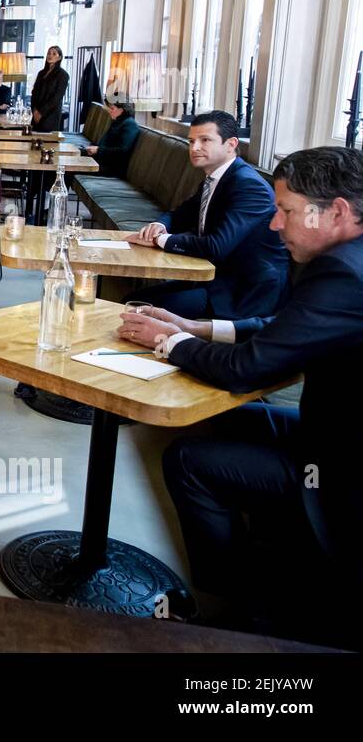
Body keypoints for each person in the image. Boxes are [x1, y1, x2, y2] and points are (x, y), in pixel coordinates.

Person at [118, 147, 363, 646]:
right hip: (328, 434)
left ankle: (240, 618)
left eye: (287, 211)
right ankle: (271, 578)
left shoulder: (343, 273)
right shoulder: (347, 262)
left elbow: (247, 371)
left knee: (189, 460)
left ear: (336, 212)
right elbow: (286, 329)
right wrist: (197, 327)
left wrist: (168, 342)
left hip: (340, 466)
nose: (275, 225)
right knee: (220, 423)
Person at [127, 110, 289, 319]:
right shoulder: (215, 177)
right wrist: (160, 226)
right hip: (216, 279)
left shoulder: (248, 186)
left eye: (205, 140)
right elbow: (179, 214)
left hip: (244, 292)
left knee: (139, 309)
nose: (194, 148)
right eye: (191, 141)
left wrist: (160, 240)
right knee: (133, 300)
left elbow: (216, 246)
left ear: (231, 143)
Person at [83, 100, 139, 178]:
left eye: (112, 108)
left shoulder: (130, 125)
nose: (109, 111)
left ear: (121, 110)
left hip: (111, 168)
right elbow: (105, 143)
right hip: (101, 161)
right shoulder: (118, 121)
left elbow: (122, 150)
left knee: (67, 168)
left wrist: (98, 150)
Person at [29, 45, 68, 133]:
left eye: (54, 54)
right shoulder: (41, 73)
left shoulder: (63, 75)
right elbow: (34, 93)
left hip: (50, 115)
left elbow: (57, 97)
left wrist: (41, 112)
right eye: (49, 53)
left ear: (59, 58)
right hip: (36, 115)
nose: (50, 56)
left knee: (47, 143)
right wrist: (34, 110)